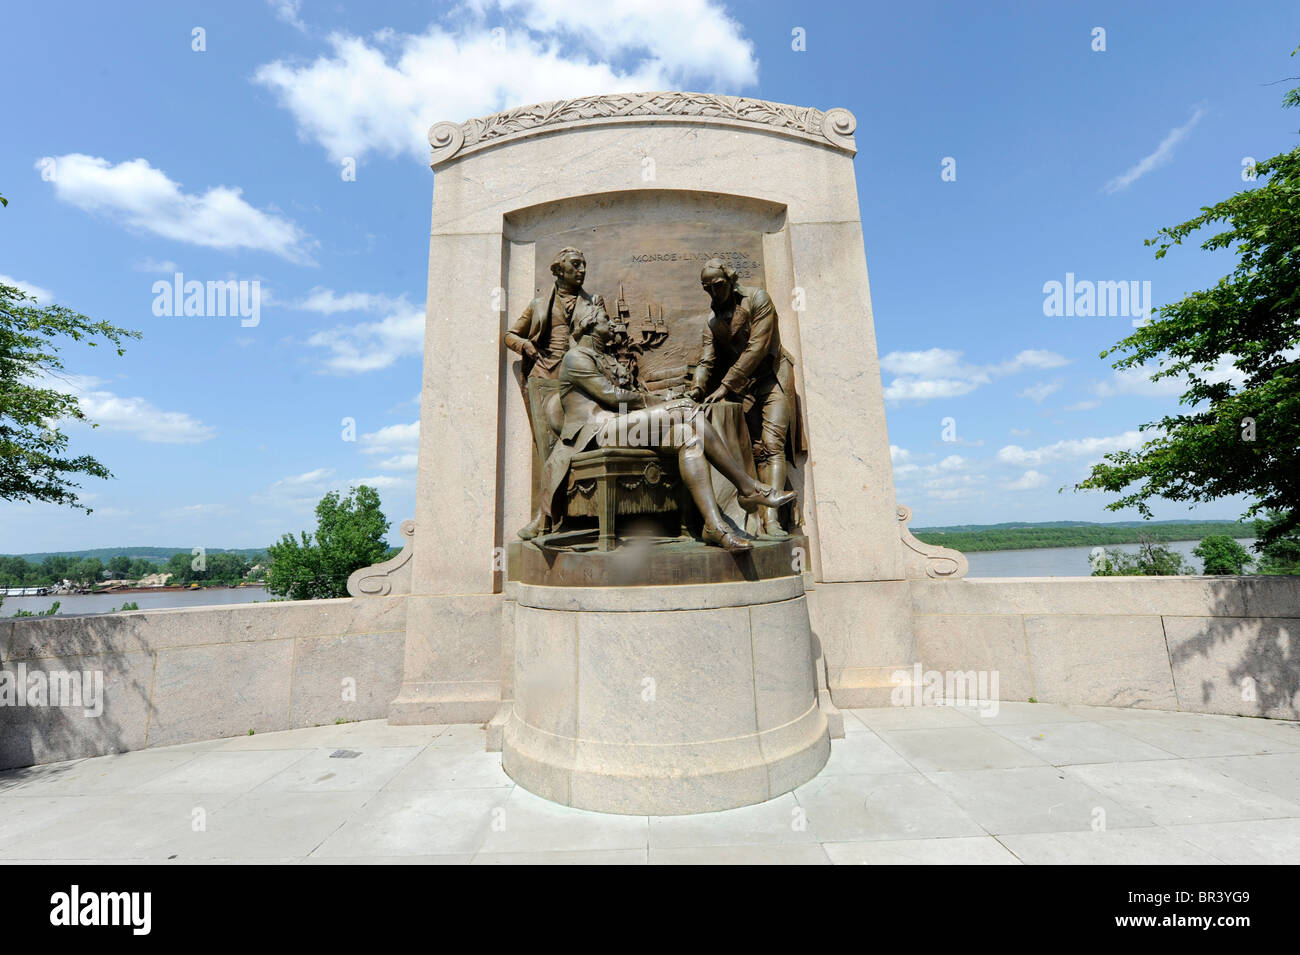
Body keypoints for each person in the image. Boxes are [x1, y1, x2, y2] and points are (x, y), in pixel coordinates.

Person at [539, 307, 794, 553]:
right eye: (606, 320)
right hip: (594, 432)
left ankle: (713, 525)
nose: (612, 324)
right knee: (685, 408)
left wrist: (660, 400)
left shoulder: (604, 357)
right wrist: (664, 403)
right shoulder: (576, 357)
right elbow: (614, 397)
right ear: (590, 325)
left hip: (620, 425)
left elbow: (630, 398)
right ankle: (747, 488)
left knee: (688, 437)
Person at [688, 259, 799, 538]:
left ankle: (772, 520)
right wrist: (697, 388)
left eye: (718, 285)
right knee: (756, 450)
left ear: (729, 279)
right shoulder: (711, 322)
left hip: (772, 377)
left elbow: (757, 348)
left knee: (774, 444)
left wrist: (725, 386)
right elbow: (706, 360)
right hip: (745, 389)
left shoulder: (758, 299)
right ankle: (758, 520)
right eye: (707, 288)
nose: (714, 292)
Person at [504, 247, 608, 539]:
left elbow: (605, 338)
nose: (583, 270)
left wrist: (586, 333)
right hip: (543, 377)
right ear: (559, 269)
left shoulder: (595, 302)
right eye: (576, 265)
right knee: (546, 447)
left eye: (585, 264)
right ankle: (546, 518)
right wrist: (525, 346)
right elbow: (510, 335)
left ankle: (584, 514)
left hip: (579, 380)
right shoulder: (538, 304)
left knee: (578, 442)